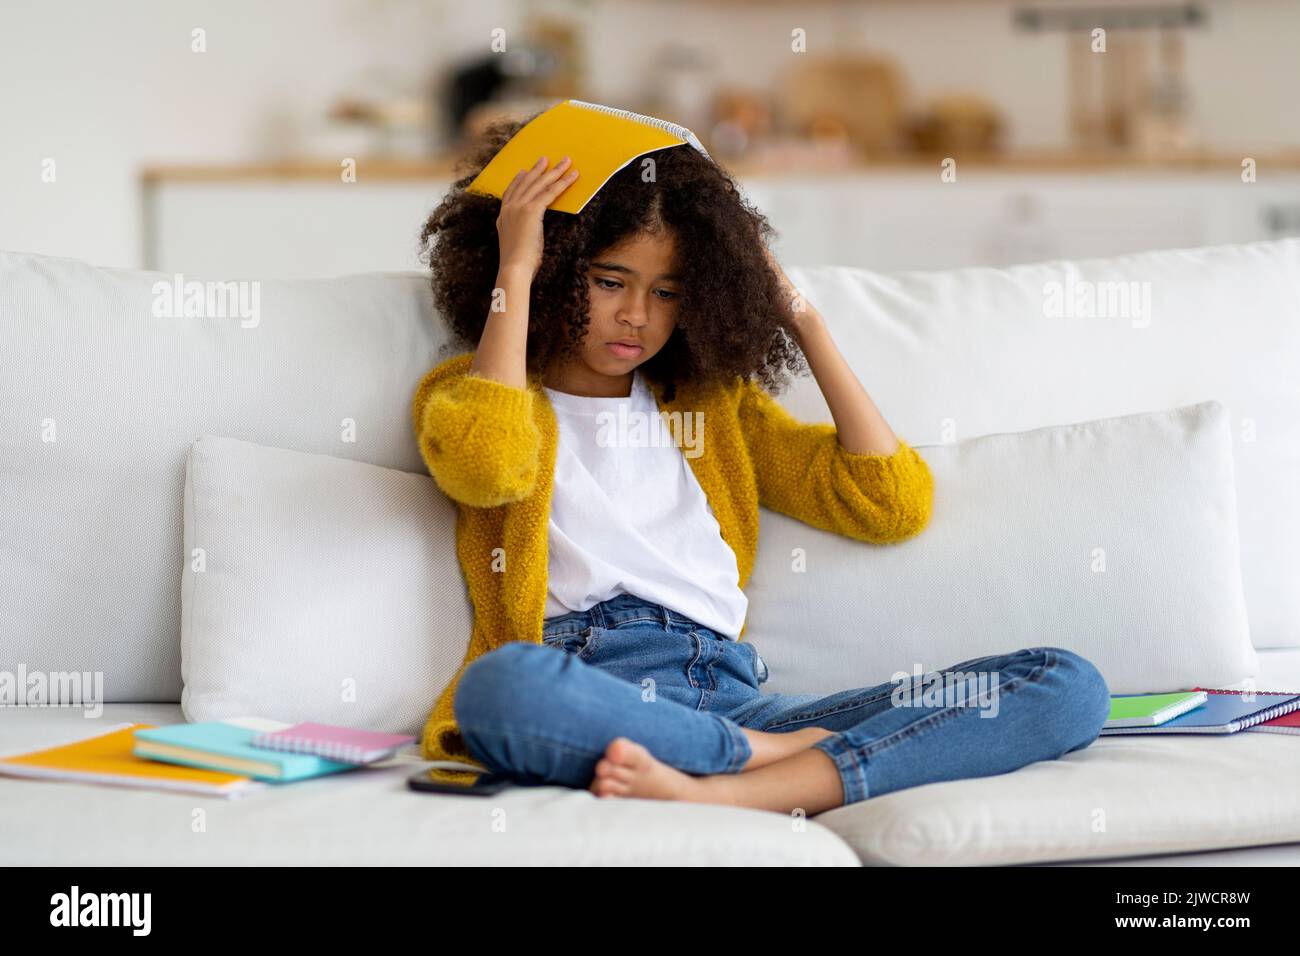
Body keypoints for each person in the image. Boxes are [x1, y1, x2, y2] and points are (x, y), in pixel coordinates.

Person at [411, 115, 1111, 814]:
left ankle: (739, 785)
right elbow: (489, 466)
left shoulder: (715, 410)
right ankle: (762, 766)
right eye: (608, 281)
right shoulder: (471, 395)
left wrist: (804, 321)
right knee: (498, 689)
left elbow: (887, 504)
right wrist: (517, 270)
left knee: (1066, 683)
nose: (636, 316)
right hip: (590, 690)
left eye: (667, 291)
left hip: (739, 699)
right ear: (558, 266)